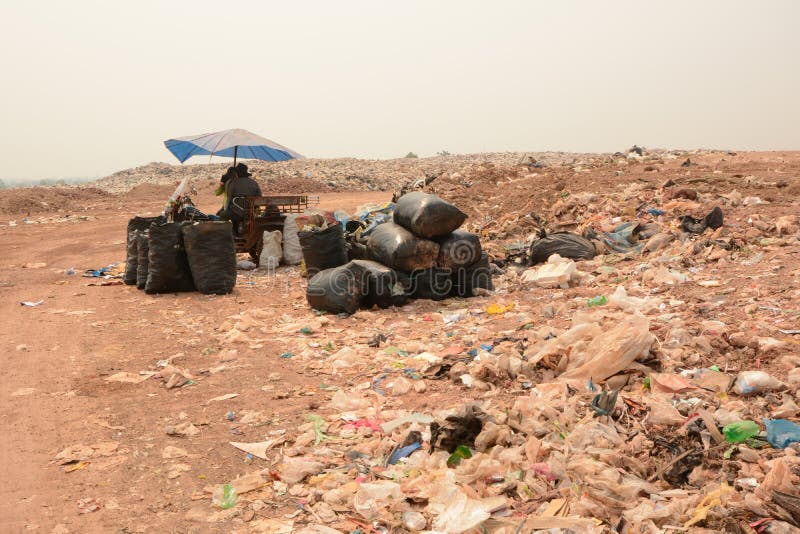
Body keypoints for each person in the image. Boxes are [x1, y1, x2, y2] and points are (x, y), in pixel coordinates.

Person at [220, 163, 262, 232]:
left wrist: (224, 209)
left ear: (237, 173)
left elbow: (229, 199)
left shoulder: (233, 183)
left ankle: (225, 234)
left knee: (223, 215)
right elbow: (259, 198)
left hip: (237, 212)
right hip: (251, 213)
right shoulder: (254, 183)